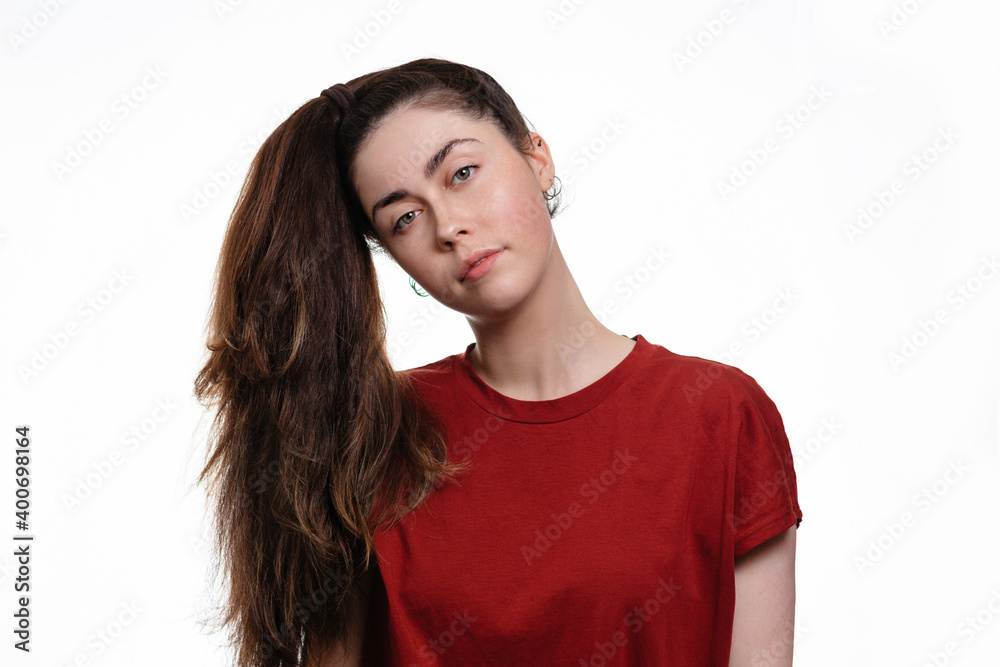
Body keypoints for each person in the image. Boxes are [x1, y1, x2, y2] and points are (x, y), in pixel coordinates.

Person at [193, 57, 803, 667]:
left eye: (462, 173)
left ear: (537, 158)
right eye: (404, 217)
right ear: (391, 256)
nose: (449, 225)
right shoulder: (371, 433)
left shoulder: (721, 415)